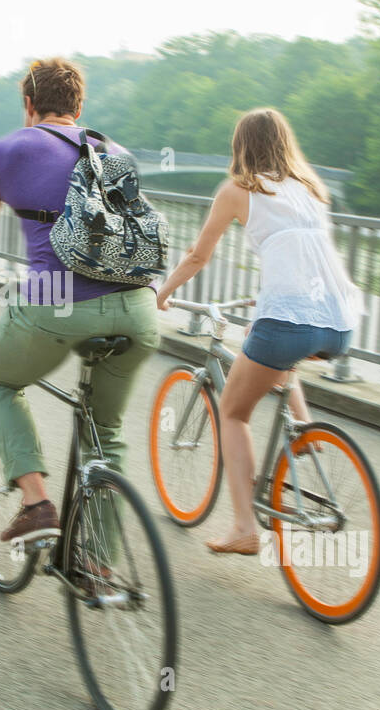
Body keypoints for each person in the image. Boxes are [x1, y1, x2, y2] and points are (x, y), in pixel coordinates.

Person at [0, 58, 161, 547]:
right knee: (106, 432)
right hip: (140, 308)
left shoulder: (4, 151)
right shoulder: (114, 152)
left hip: (57, 301)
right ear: (79, 107)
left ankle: (37, 504)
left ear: (29, 104)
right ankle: (100, 566)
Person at [155, 108, 364, 555]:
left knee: (233, 411)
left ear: (240, 146)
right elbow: (300, 254)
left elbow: (198, 255)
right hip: (341, 322)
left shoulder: (238, 190)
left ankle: (245, 528)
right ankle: (305, 432)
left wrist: (164, 291)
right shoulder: (312, 188)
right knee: (270, 342)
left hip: (292, 320)